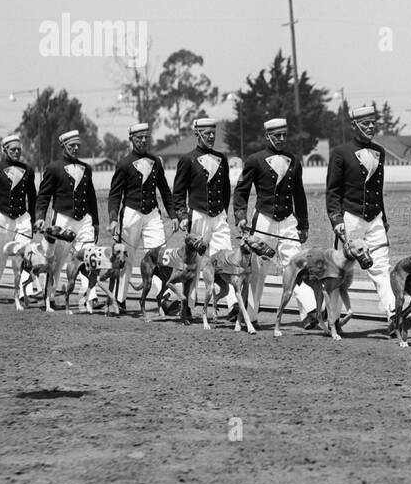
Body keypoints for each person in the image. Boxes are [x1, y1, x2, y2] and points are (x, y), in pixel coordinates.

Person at [233, 116, 317, 328]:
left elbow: (299, 193)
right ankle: (249, 316)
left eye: (284, 135)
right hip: (263, 220)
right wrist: (241, 216)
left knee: (298, 264)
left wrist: (303, 224)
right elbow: (241, 191)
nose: (281, 139)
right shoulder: (255, 160)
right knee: (258, 271)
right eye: (276, 136)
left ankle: (310, 312)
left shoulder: (294, 160)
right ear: (267, 136)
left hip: (288, 220)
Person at [326, 104, 396, 323]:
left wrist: (382, 219)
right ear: (355, 125)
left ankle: (393, 315)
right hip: (350, 218)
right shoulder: (340, 153)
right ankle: (333, 319)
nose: (371, 127)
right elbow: (333, 190)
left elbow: (377, 190)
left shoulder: (380, 152)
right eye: (365, 123)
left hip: (374, 218)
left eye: (373, 123)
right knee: (340, 272)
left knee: (382, 267)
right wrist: (336, 219)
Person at [173, 116, 239, 318]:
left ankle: (233, 304)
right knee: (194, 263)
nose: (211, 136)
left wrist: (225, 213)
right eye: (207, 133)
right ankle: (188, 304)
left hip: (219, 217)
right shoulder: (187, 159)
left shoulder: (222, 159)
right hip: (197, 215)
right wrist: (183, 215)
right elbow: (178, 192)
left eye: (213, 133)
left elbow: (226, 189)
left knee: (226, 259)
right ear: (197, 134)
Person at [108, 122, 177, 312]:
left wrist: (173, 215)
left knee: (160, 256)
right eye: (139, 137)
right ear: (131, 139)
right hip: (130, 214)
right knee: (126, 259)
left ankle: (164, 297)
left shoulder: (156, 161)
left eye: (146, 137)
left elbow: (164, 190)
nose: (144, 140)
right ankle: (120, 300)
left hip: (153, 214)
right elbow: (115, 194)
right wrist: (113, 218)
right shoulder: (123, 164)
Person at [34, 129, 101, 308]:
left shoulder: (87, 168)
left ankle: (90, 296)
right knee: (57, 260)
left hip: (84, 219)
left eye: (78, 145)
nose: (75, 148)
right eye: (72, 145)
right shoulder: (54, 168)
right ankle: (50, 295)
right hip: (63, 218)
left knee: (89, 256)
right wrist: (40, 216)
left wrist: (95, 222)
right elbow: (43, 195)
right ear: (63, 146)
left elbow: (91, 197)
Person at [0, 132, 37, 302]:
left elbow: (33, 196)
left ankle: (26, 293)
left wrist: (33, 219)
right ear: (4, 149)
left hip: (23, 218)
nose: (17, 152)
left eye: (19, 149)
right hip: (3, 218)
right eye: (13, 149)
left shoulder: (28, 170)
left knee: (25, 254)